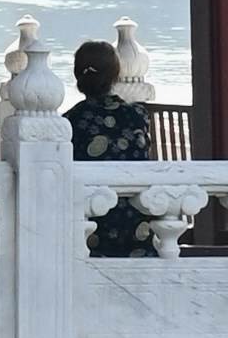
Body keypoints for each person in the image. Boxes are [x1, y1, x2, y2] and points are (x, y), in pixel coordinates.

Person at [67, 34, 163, 258]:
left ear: (78, 76)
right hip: (136, 223)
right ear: (115, 75)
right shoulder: (138, 115)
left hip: (91, 225)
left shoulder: (70, 121)